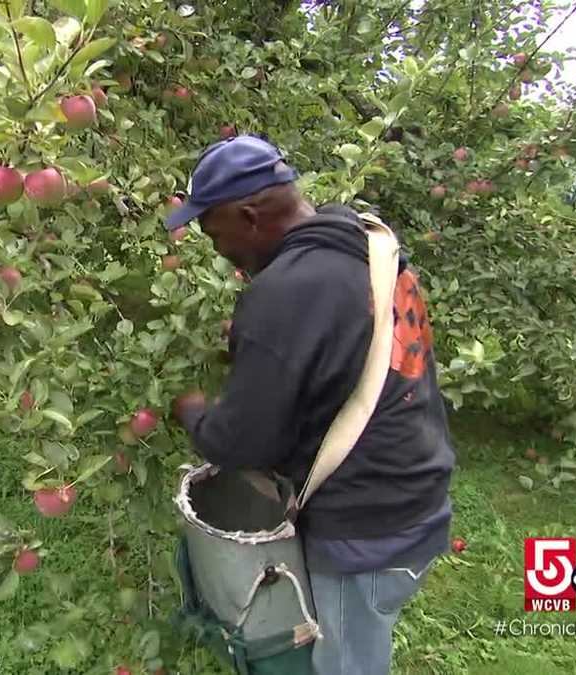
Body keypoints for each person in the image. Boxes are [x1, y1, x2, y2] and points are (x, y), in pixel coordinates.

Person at [167, 135, 457, 675]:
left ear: (250, 217)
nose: (218, 251)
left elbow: (240, 444)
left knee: (347, 663)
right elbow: (341, 342)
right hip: (413, 487)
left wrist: (191, 409)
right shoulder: (363, 242)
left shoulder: (287, 294)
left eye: (214, 233)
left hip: (366, 527)